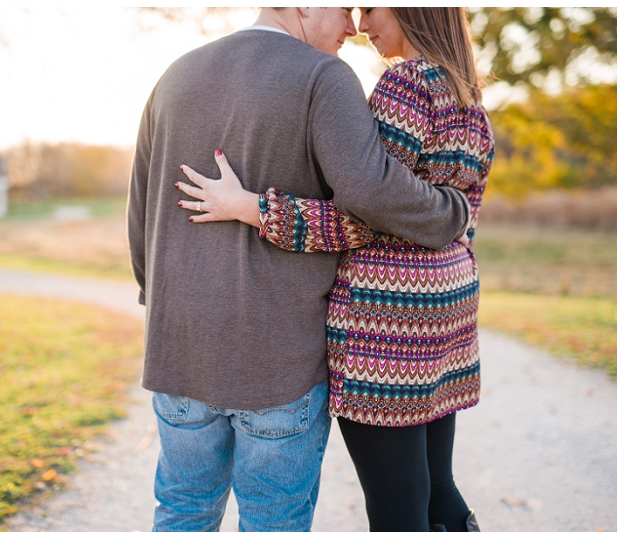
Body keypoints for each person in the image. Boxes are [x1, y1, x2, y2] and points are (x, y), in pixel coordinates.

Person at [128, 7, 471, 532]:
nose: (353, 28)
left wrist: (170, 313)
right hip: (279, 360)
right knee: (275, 522)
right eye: (344, 9)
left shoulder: (175, 74)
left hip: (180, 353)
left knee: (182, 512)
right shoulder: (323, 76)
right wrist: (453, 212)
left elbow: (140, 216)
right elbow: (371, 193)